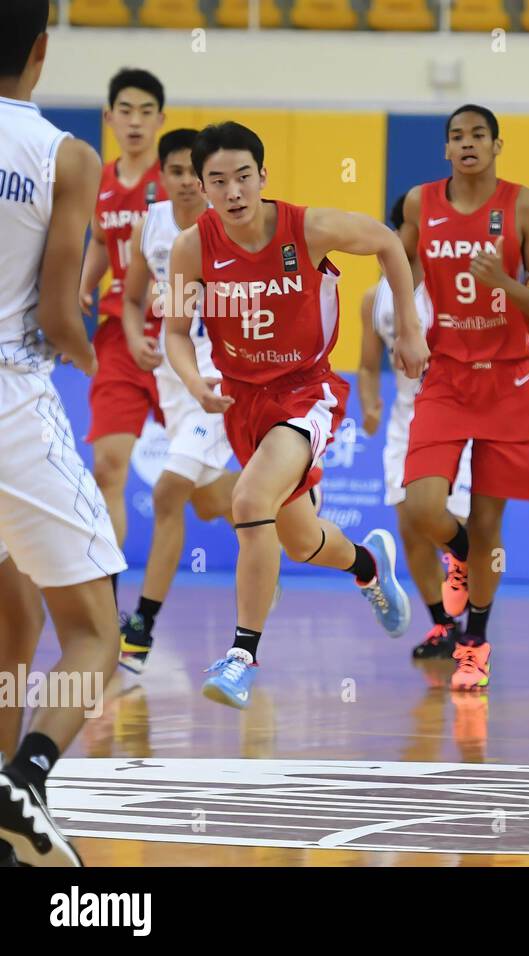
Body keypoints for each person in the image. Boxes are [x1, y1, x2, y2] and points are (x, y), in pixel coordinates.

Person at [165, 121, 430, 709]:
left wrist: (408, 328)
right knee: (302, 540)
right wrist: (194, 383)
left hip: (306, 392)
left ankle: (241, 656)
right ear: (203, 188)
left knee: (249, 502)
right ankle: (367, 564)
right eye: (217, 181)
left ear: (262, 176)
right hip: (240, 400)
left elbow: (389, 243)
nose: (232, 192)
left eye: (242, 178)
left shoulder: (306, 228)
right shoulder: (193, 246)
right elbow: (177, 333)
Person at [0, 0, 129, 866]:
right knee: (95, 632)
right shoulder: (65, 156)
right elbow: (56, 310)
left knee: (10, 619)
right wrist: (104, 360)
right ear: (43, 48)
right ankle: (28, 780)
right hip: (10, 399)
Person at [398, 104, 529, 690]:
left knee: (490, 524)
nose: (468, 144)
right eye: (457, 136)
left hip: (509, 380)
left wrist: (505, 285)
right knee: (421, 507)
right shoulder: (421, 203)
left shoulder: (527, 205)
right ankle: (457, 554)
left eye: (479, 136)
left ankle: (476, 641)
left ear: (496, 145)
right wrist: (405, 328)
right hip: (446, 375)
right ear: (446, 149)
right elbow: (403, 269)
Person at [118, 127, 237, 674]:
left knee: (168, 494)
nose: (187, 181)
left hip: (215, 380)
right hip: (173, 381)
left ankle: (140, 627)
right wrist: (134, 335)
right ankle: (276, 516)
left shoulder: (229, 227)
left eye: (195, 171)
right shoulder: (153, 225)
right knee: (211, 502)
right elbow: (132, 297)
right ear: (161, 176)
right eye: (176, 172)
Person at [358, 196, 473, 661]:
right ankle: (444, 627)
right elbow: (368, 366)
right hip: (406, 421)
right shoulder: (375, 296)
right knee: (408, 526)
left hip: (456, 417)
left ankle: (470, 606)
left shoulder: (452, 287)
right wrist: (369, 403)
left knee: (449, 522)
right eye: (411, 226)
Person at [77, 67, 168, 561]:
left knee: (206, 491)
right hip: (118, 338)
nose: (135, 122)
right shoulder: (101, 182)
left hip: (178, 336)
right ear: (109, 117)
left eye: (146, 112)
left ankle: (261, 540)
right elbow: (98, 241)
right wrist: (84, 286)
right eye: (125, 111)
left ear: (161, 119)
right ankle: (107, 603)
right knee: (108, 469)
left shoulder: (176, 181)